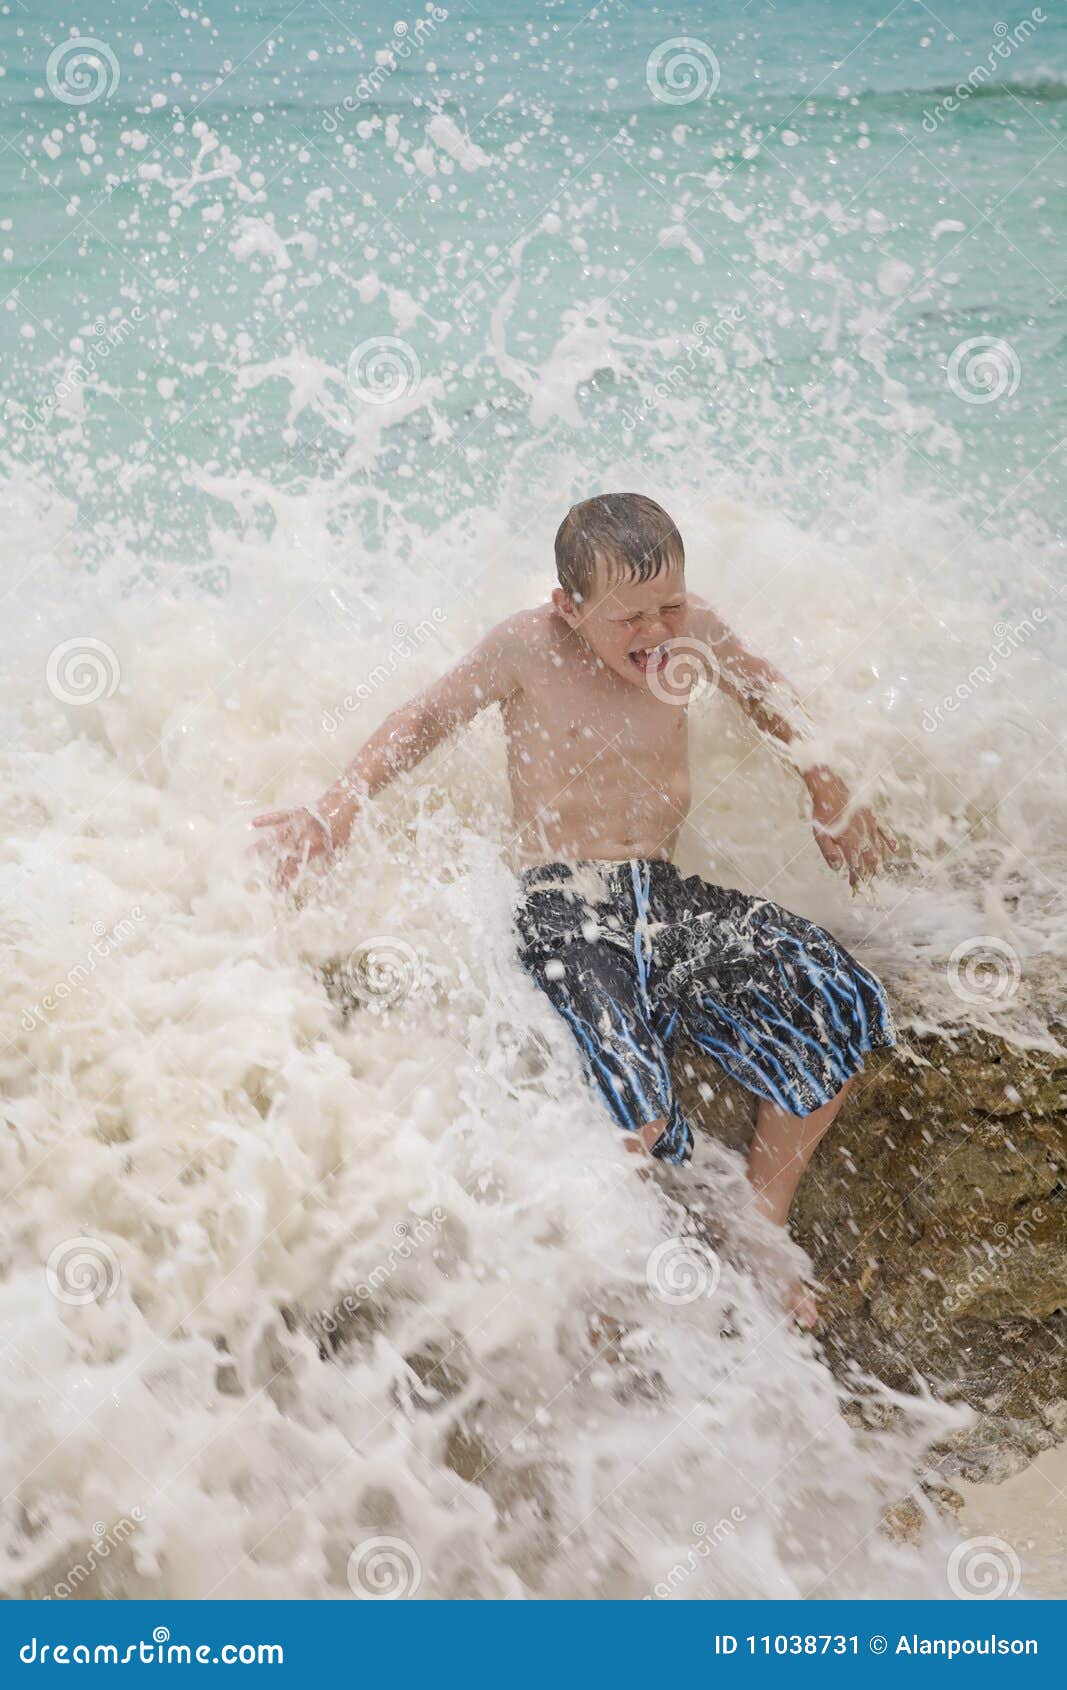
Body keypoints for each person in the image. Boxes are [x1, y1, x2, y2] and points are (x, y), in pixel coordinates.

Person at [253, 493, 897, 1327]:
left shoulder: (689, 628)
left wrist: (824, 782)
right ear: (570, 608)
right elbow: (423, 720)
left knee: (833, 994)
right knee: (634, 1100)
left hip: (661, 896)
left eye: (669, 603)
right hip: (564, 903)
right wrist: (332, 813)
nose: (659, 630)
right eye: (630, 616)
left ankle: (756, 1225)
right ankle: (607, 1311)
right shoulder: (526, 646)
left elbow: (766, 692)